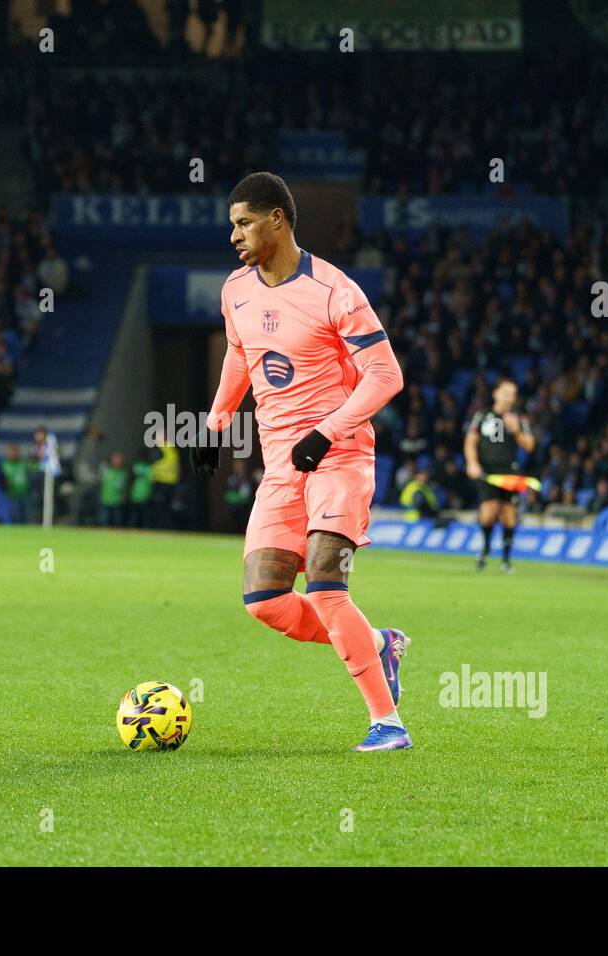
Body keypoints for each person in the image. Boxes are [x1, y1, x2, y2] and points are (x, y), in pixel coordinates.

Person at [191, 172, 411, 752]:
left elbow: (387, 376)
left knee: (325, 586)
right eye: (233, 224)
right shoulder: (235, 290)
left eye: (243, 223)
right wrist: (216, 424)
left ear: (278, 220)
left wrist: (327, 431)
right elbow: (241, 357)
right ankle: (377, 644)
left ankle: (387, 724)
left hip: (339, 459)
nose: (234, 235)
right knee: (264, 601)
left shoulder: (336, 292)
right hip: (282, 469)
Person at [464, 378, 536, 572]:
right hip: (487, 472)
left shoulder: (519, 418)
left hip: (509, 473)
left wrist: (517, 431)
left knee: (509, 516)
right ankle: (486, 546)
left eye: (512, 394)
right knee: (488, 514)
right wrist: (472, 463)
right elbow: (471, 440)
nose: (508, 397)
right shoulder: (483, 415)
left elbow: (529, 446)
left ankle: (506, 560)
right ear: (496, 393)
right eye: (505, 392)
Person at [99, 451, 129, 527]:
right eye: (116, 459)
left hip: (117, 502)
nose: (118, 461)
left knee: (117, 523)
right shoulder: (106, 471)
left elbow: (121, 487)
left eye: (119, 459)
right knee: (104, 522)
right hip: (105, 501)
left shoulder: (123, 473)